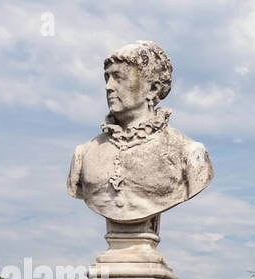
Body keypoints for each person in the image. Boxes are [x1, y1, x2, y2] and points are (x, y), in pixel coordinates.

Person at [67, 41, 213, 224]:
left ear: (153, 88)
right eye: (107, 78)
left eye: (118, 77)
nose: (109, 87)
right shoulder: (84, 153)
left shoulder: (188, 153)